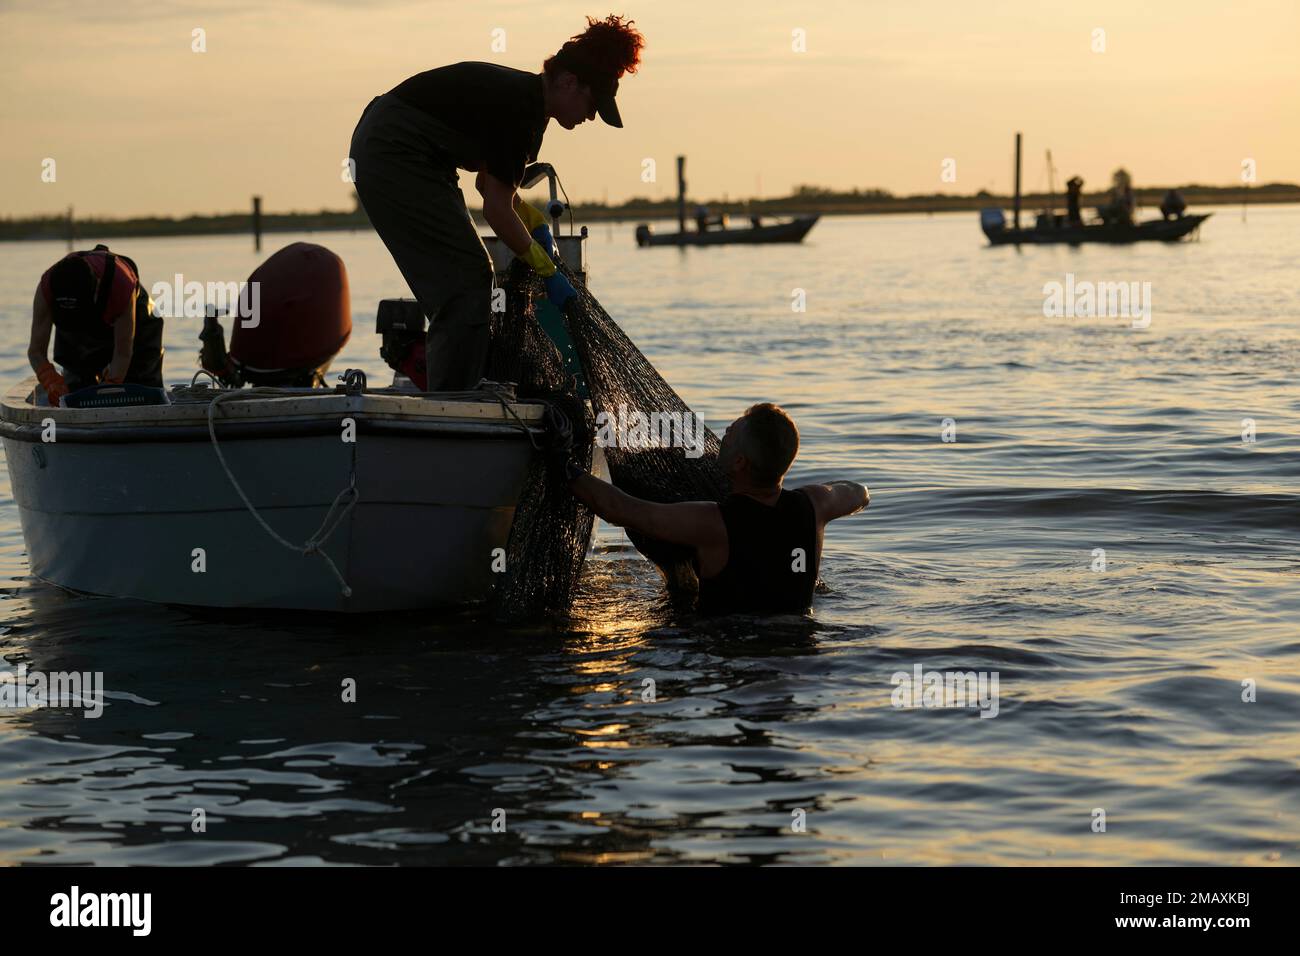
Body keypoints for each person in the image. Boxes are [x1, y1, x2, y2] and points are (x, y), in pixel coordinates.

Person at [349, 14, 644, 391]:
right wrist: (547, 270)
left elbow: (489, 184)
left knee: (464, 280)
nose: (591, 116)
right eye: (591, 104)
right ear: (569, 82)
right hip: (393, 150)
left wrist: (532, 218)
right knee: (468, 278)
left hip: (406, 148)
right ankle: (453, 405)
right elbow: (496, 211)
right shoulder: (522, 112)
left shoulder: (525, 102)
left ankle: (457, 391)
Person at [566, 403, 869, 615]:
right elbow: (859, 493)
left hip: (727, 648)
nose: (723, 431)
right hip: (797, 643)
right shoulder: (815, 504)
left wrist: (563, 465)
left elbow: (623, 509)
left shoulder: (713, 521)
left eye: (731, 434)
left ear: (740, 463)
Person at [28, 244, 164, 407]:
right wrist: (51, 381)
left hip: (136, 322)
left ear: (97, 289)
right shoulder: (47, 288)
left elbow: (122, 353)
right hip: (75, 331)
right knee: (76, 387)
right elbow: (36, 351)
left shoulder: (120, 286)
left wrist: (109, 387)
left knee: (140, 383)